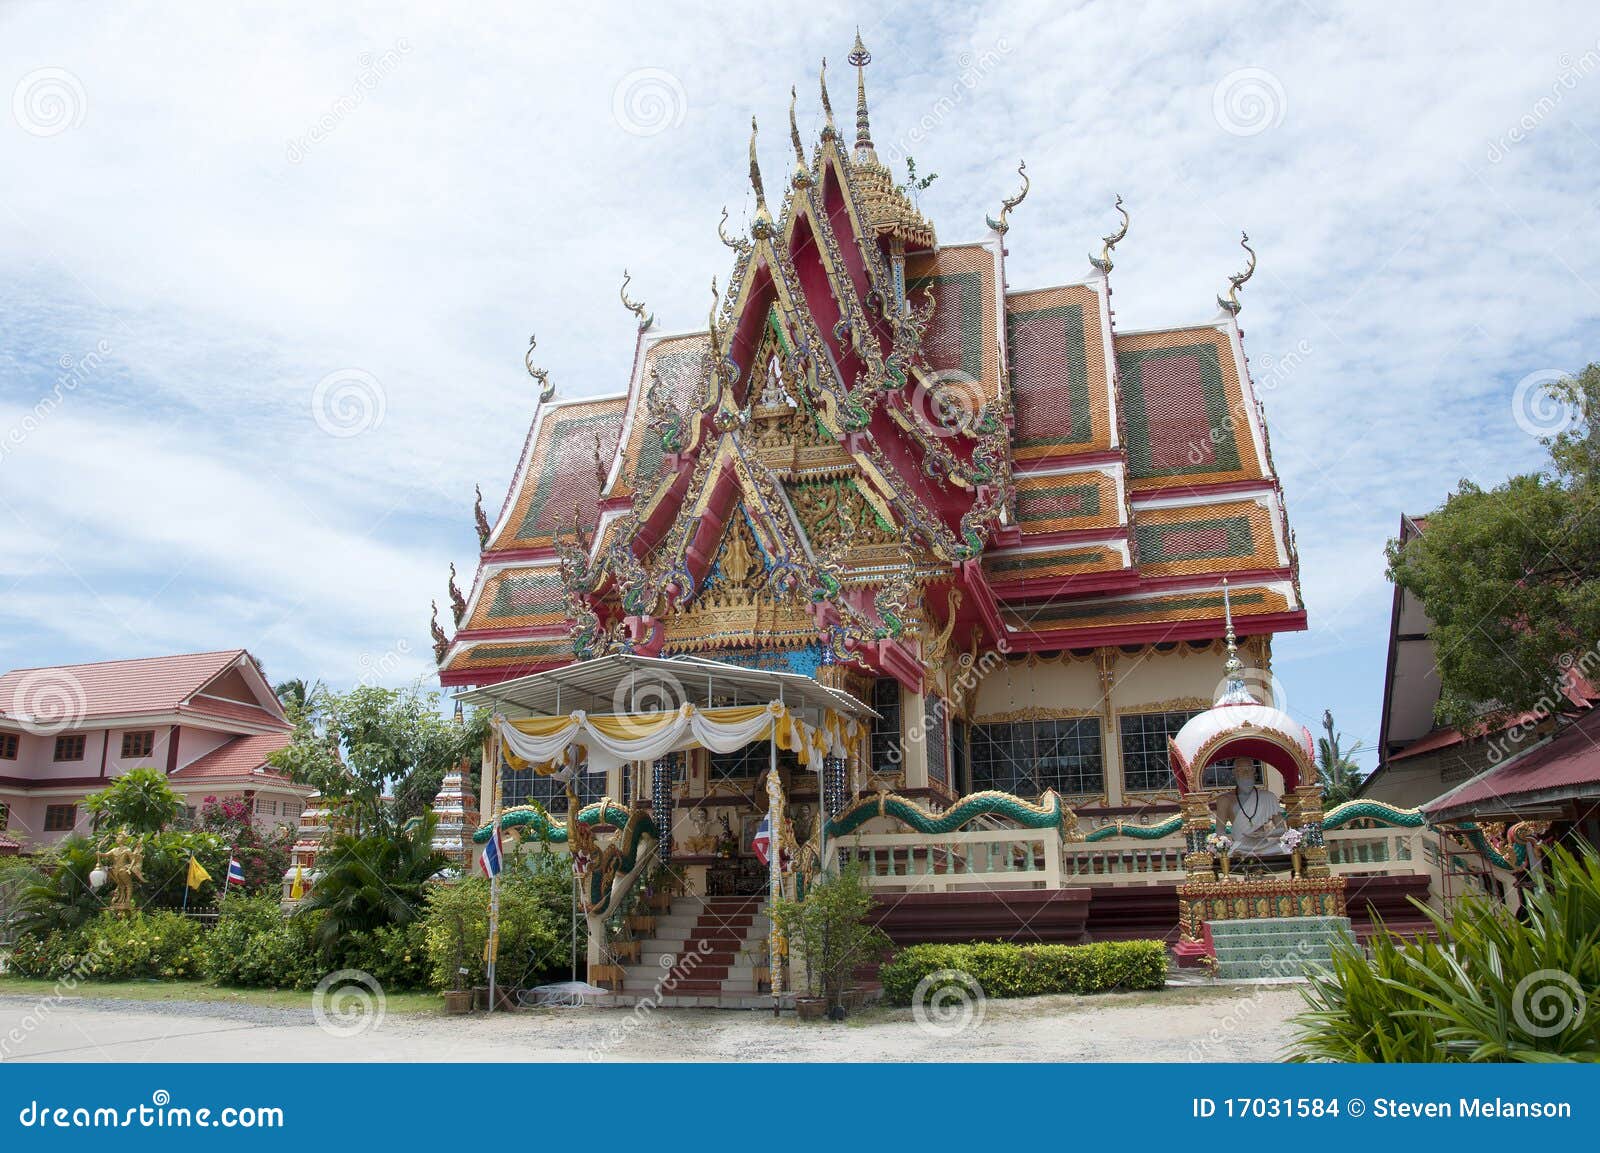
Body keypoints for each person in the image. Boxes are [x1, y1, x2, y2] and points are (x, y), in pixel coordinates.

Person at [1212, 757, 1287, 856]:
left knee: (1283, 848)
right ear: (1234, 773)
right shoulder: (1225, 799)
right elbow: (1219, 832)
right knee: (1226, 851)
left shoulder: (1268, 797)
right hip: (1240, 846)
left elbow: (1282, 829)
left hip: (1263, 846)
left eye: (1248, 769)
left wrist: (1266, 834)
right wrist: (1227, 842)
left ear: (1254, 771)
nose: (1245, 773)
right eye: (1241, 770)